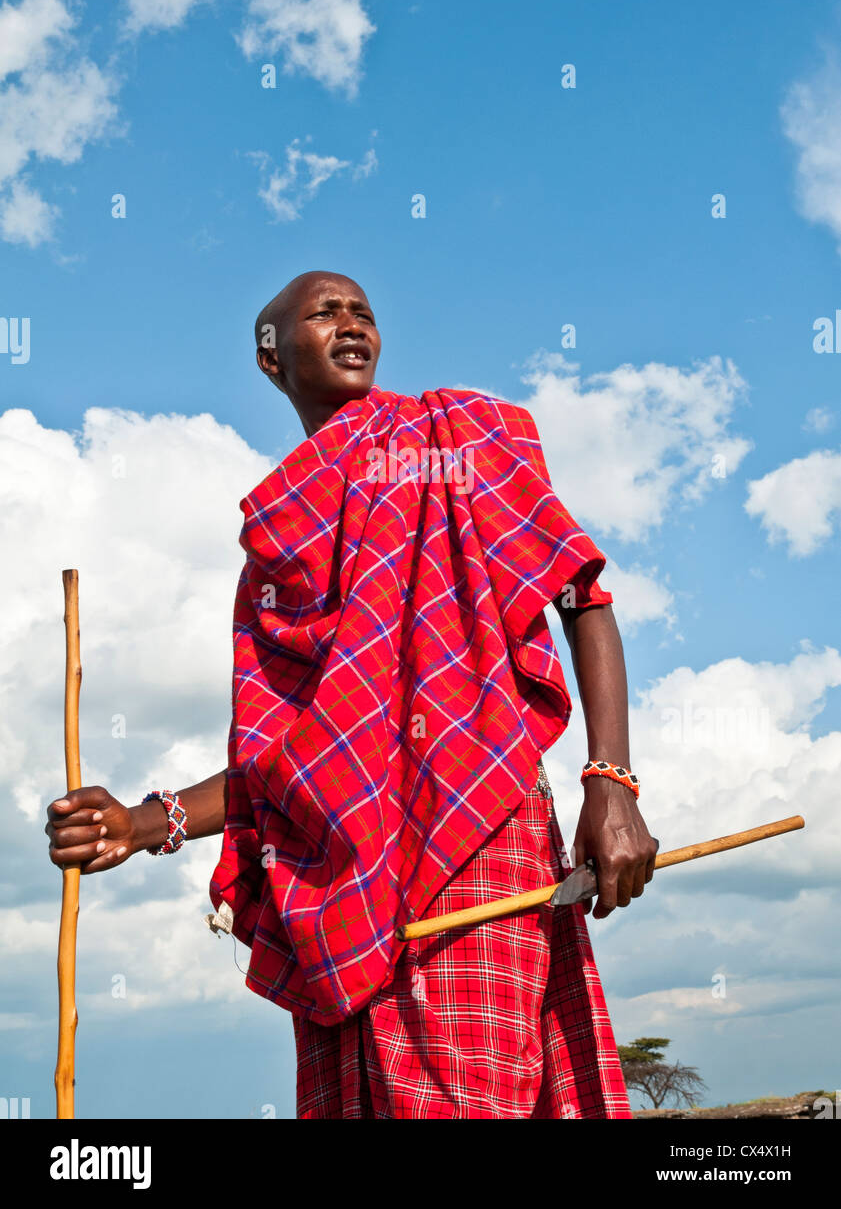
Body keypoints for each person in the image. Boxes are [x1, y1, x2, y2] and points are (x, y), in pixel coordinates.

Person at [46, 269, 658, 1120]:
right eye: (321, 311)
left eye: (362, 312)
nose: (350, 322)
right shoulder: (277, 544)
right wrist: (142, 822)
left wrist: (610, 783)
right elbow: (295, 762)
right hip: (335, 886)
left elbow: (580, 597)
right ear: (270, 358)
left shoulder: (454, 440)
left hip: (474, 838)